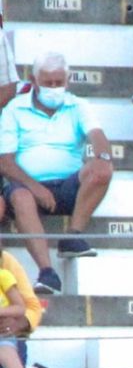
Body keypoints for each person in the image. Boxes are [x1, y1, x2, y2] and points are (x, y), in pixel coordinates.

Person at [0, 53, 116, 295]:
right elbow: (5, 162)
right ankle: (46, 272)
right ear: (33, 80)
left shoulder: (78, 105)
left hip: (68, 186)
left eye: (58, 83)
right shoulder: (14, 109)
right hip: (26, 188)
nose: (54, 88)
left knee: (102, 168)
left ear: (67, 80)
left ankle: (73, 235)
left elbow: (97, 136)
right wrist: (36, 187)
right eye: (48, 83)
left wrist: (102, 155)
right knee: (20, 197)